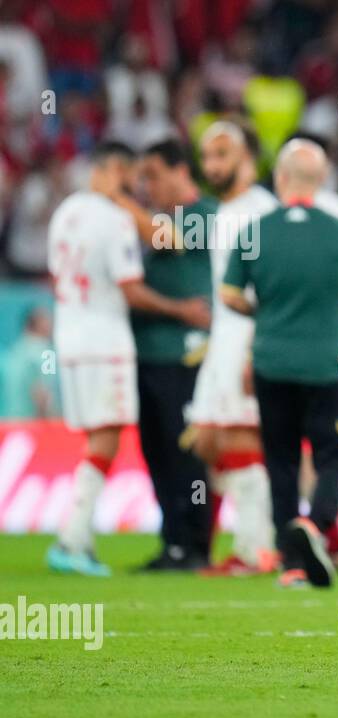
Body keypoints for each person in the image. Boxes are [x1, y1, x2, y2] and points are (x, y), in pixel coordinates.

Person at [45, 140, 209, 576]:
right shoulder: (116, 219)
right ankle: (73, 539)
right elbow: (154, 259)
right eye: (134, 177)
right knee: (107, 438)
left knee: (102, 437)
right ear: (117, 170)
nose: (139, 188)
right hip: (107, 343)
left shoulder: (65, 212)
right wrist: (183, 309)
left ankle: (81, 538)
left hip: (70, 338)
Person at [220, 139, 338, 589]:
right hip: (327, 362)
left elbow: (229, 295)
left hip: (270, 361)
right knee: (336, 450)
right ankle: (317, 524)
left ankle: (291, 563)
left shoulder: (255, 231)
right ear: (321, 179)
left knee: (281, 460)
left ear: (281, 179)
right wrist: (329, 309)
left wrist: (265, 313)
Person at [189, 121, 281, 576]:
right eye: (206, 155)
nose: (212, 164)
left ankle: (256, 548)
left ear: (249, 157)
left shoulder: (260, 210)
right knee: (208, 438)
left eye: (222, 154)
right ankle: (250, 539)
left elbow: (267, 288)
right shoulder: (223, 211)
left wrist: (253, 350)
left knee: (240, 437)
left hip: (247, 336)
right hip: (221, 338)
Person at [128, 138, 218, 571]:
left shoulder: (206, 215)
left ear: (182, 171)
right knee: (156, 450)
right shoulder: (155, 221)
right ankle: (173, 540)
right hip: (148, 351)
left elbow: (166, 238)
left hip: (186, 354)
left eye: (153, 176)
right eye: (142, 178)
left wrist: (112, 198)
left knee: (186, 451)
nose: (147, 186)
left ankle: (196, 541)